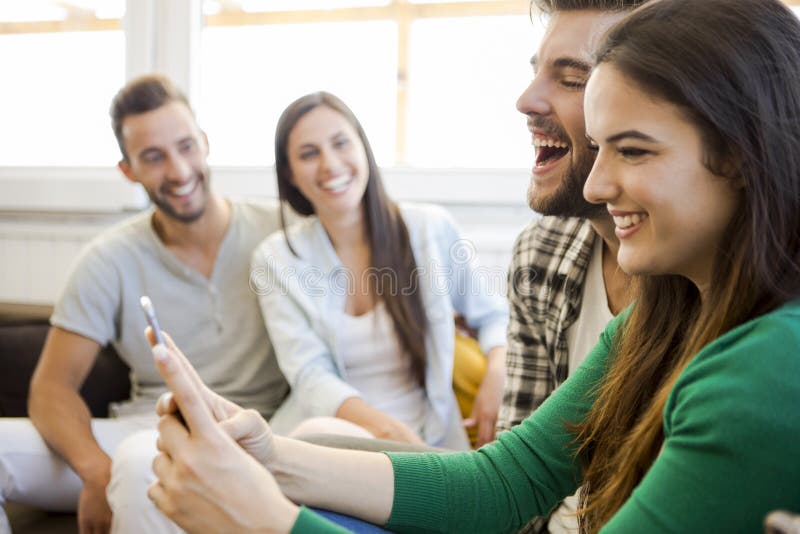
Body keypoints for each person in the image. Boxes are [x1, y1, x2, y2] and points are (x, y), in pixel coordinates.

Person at [147, 0, 800, 531]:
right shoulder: (668, 312)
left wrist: (264, 520)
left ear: (743, 155)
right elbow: (505, 480)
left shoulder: (764, 372)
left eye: (631, 151)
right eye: (598, 149)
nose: (596, 186)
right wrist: (269, 457)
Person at [0, 75, 288, 533]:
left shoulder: (280, 232)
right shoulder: (108, 259)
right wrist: (96, 471)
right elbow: (51, 389)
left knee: (139, 469)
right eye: (153, 157)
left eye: (186, 146)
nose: (177, 170)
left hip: (257, 435)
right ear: (128, 170)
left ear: (206, 143)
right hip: (146, 431)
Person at [250, 92, 509, 450]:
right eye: (309, 154)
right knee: (309, 444)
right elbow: (310, 375)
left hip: (432, 435)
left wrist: (497, 375)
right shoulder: (276, 258)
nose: (330, 164)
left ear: (363, 148)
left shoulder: (429, 229)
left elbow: (495, 316)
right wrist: (386, 433)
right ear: (290, 175)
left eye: (341, 143)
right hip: (335, 435)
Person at [499, 1, 646, 530]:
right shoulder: (539, 254)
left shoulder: (714, 286)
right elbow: (511, 479)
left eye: (572, 79)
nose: (526, 100)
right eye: (536, 72)